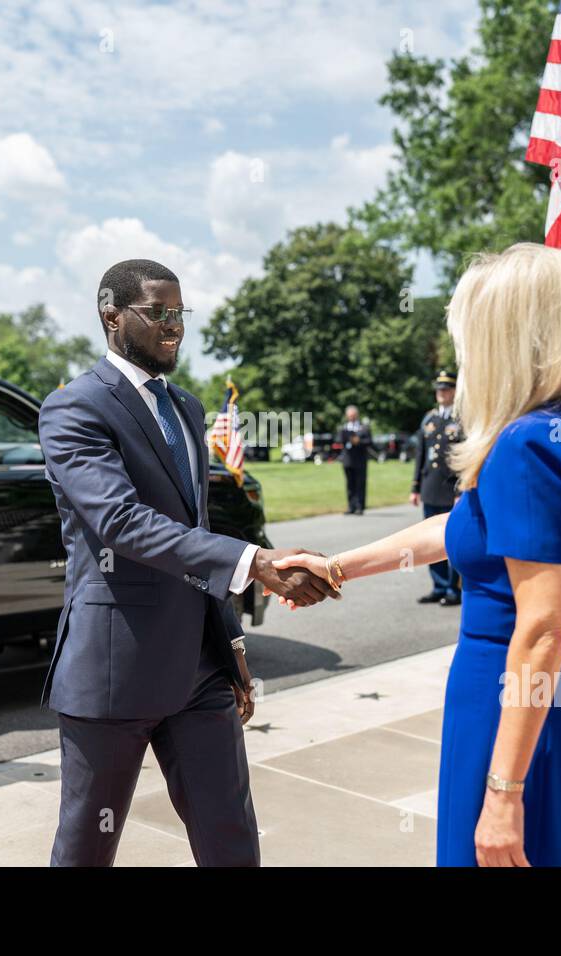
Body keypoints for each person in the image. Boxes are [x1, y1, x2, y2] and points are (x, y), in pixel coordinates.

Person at [270, 244, 561, 866]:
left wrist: (504, 794)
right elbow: (456, 528)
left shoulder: (525, 447)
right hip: (556, 701)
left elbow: (543, 627)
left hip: (516, 712)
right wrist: (336, 567)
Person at [37, 258, 337, 867]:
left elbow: (193, 531)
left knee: (231, 840)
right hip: (115, 669)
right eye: (157, 313)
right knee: (86, 849)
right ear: (112, 316)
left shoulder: (188, 409)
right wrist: (254, 561)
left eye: (179, 312)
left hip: (200, 671)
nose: (173, 325)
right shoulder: (75, 408)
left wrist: (231, 643)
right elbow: (121, 524)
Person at [411, 369, 463, 606]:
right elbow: (421, 454)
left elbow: (467, 457)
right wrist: (415, 487)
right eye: (439, 389)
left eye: (447, 389)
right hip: (431, 486)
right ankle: (439, 585)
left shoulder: (462, 419)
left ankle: (454, 588)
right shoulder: (429, 419)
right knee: (430, 540)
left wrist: (462, 490)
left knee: (452, 541)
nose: (442, 393)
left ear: (455, 391)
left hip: (452, 489)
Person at [337, 405, 372, 514]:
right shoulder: (344, 428)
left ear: (357, 415)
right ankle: (351, 506)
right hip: (348, 460)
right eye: (349, 416)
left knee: (360, 483)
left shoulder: (364, 427)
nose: (351, 417)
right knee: (350, 484)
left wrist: (359, 441)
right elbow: (339, 441)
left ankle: (360, 506)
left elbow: (369, 442)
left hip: (360, 460)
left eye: (353, 415)